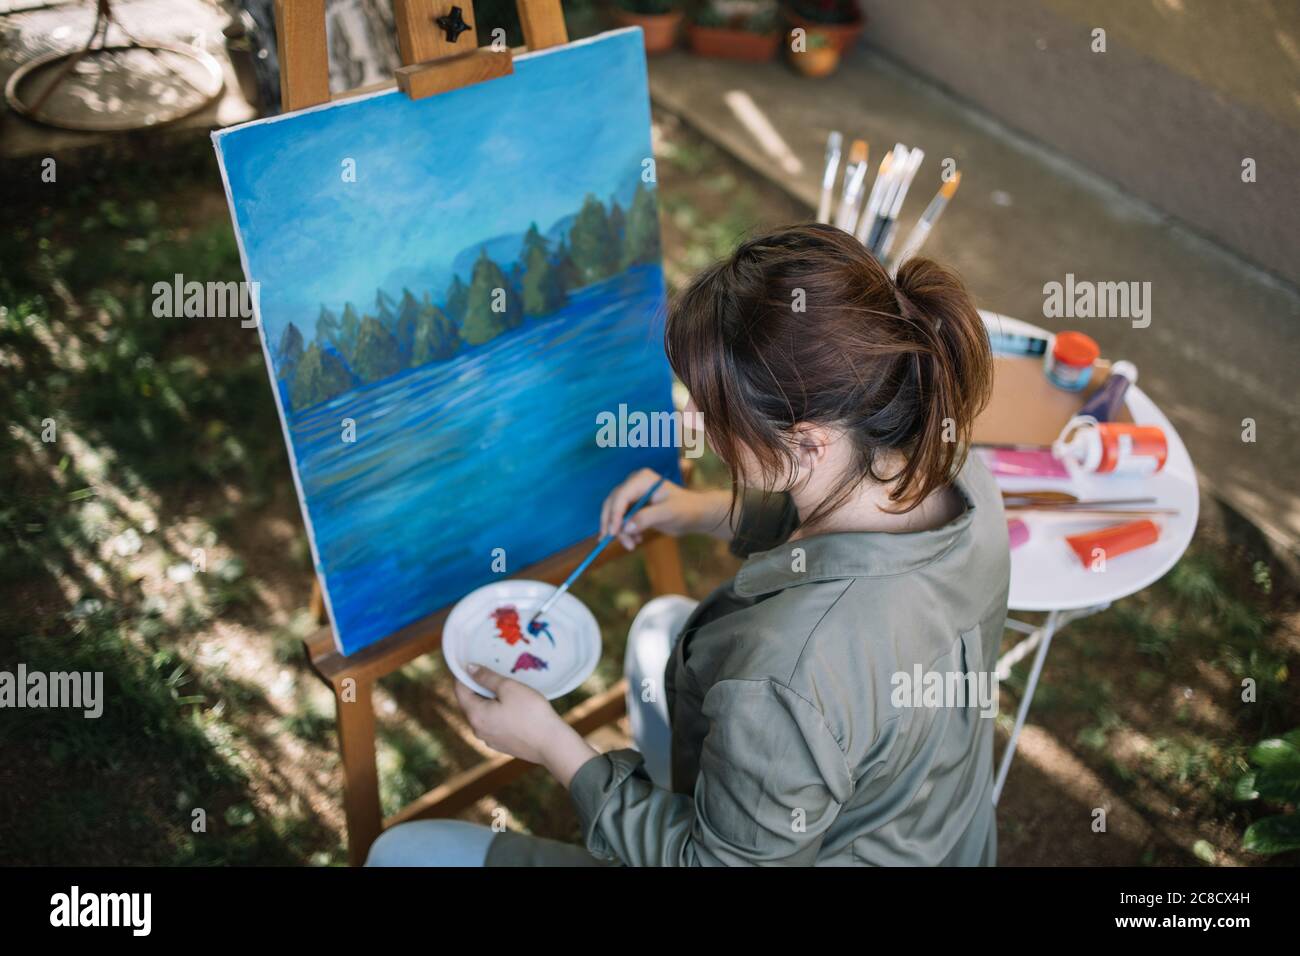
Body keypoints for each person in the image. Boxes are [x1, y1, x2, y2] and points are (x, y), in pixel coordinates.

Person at [367, 223, 1009, 867]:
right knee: (658, 630)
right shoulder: (951, 466)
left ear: (810, 441)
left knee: (405, 851)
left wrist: (551, 744)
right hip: (938, 831)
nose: (692, 421)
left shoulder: (787, 674)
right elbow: (842, 521)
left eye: (716, 410)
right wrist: (701, 511)